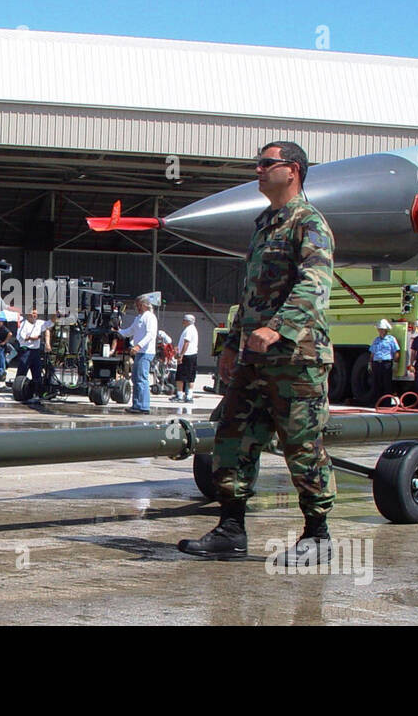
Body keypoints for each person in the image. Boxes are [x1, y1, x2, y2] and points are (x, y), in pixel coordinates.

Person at [179, 141, 336, 565]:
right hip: (254, 357)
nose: (258, 169)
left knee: (301, 444)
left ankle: (317, 534)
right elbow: (249, 297)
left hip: (296, 358)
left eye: (268, 163)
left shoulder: (309, 223)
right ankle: (231, 529)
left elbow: (316, 285)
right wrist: (232, 343)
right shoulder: (265, 223)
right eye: (259, 163)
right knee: (234, 437)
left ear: (294, 171)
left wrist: (277, 328)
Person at [118, 294, 158, 414]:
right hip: (139, 352)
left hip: (145, 352)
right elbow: (130, 331)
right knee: (136, 378)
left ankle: (143, 406)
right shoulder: (139, 318)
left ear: (144, 305)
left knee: (141, 378)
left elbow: (150, 334)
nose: (137, 307)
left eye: (139, 305)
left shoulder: (150, 317)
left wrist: (138, 345)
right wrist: (118, 331)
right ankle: (136, 404)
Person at [16, 308, 53, 403]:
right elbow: (25, 338)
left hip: (35, 352)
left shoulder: (39, 323)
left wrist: (56, 315)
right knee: (22, 371)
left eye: (36, 313)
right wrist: (36, 338)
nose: (35, 315)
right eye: (33, 313)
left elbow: (50, 323)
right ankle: (18, 391)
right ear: (28, 314)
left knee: (37, 374)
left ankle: (39, 393)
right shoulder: (24, 324)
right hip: (26, 351)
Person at [370, 319, 400, 405]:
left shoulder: (391, 339)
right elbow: (372, 352)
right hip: (376, 363)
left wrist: (395, 363)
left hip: (386, 363)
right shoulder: (376, 340)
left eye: (381, 329)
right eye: (379, 329)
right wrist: (370, 363)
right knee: (376, 383)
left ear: (385, 330)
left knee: (386, 383)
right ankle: (376, 402)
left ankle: (386, 403)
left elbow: (396, 351)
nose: (380, 331)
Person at [171, 314, 199, 403]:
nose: (182, 321)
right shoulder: (193, 329)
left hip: (187, 355)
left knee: (180, 376)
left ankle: (179, 395)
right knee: (191, 376)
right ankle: (189, 396)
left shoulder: (189, 330)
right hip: (192, 355)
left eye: (184, 320)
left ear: (187, 321)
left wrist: (181, 355)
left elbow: (186, 343)